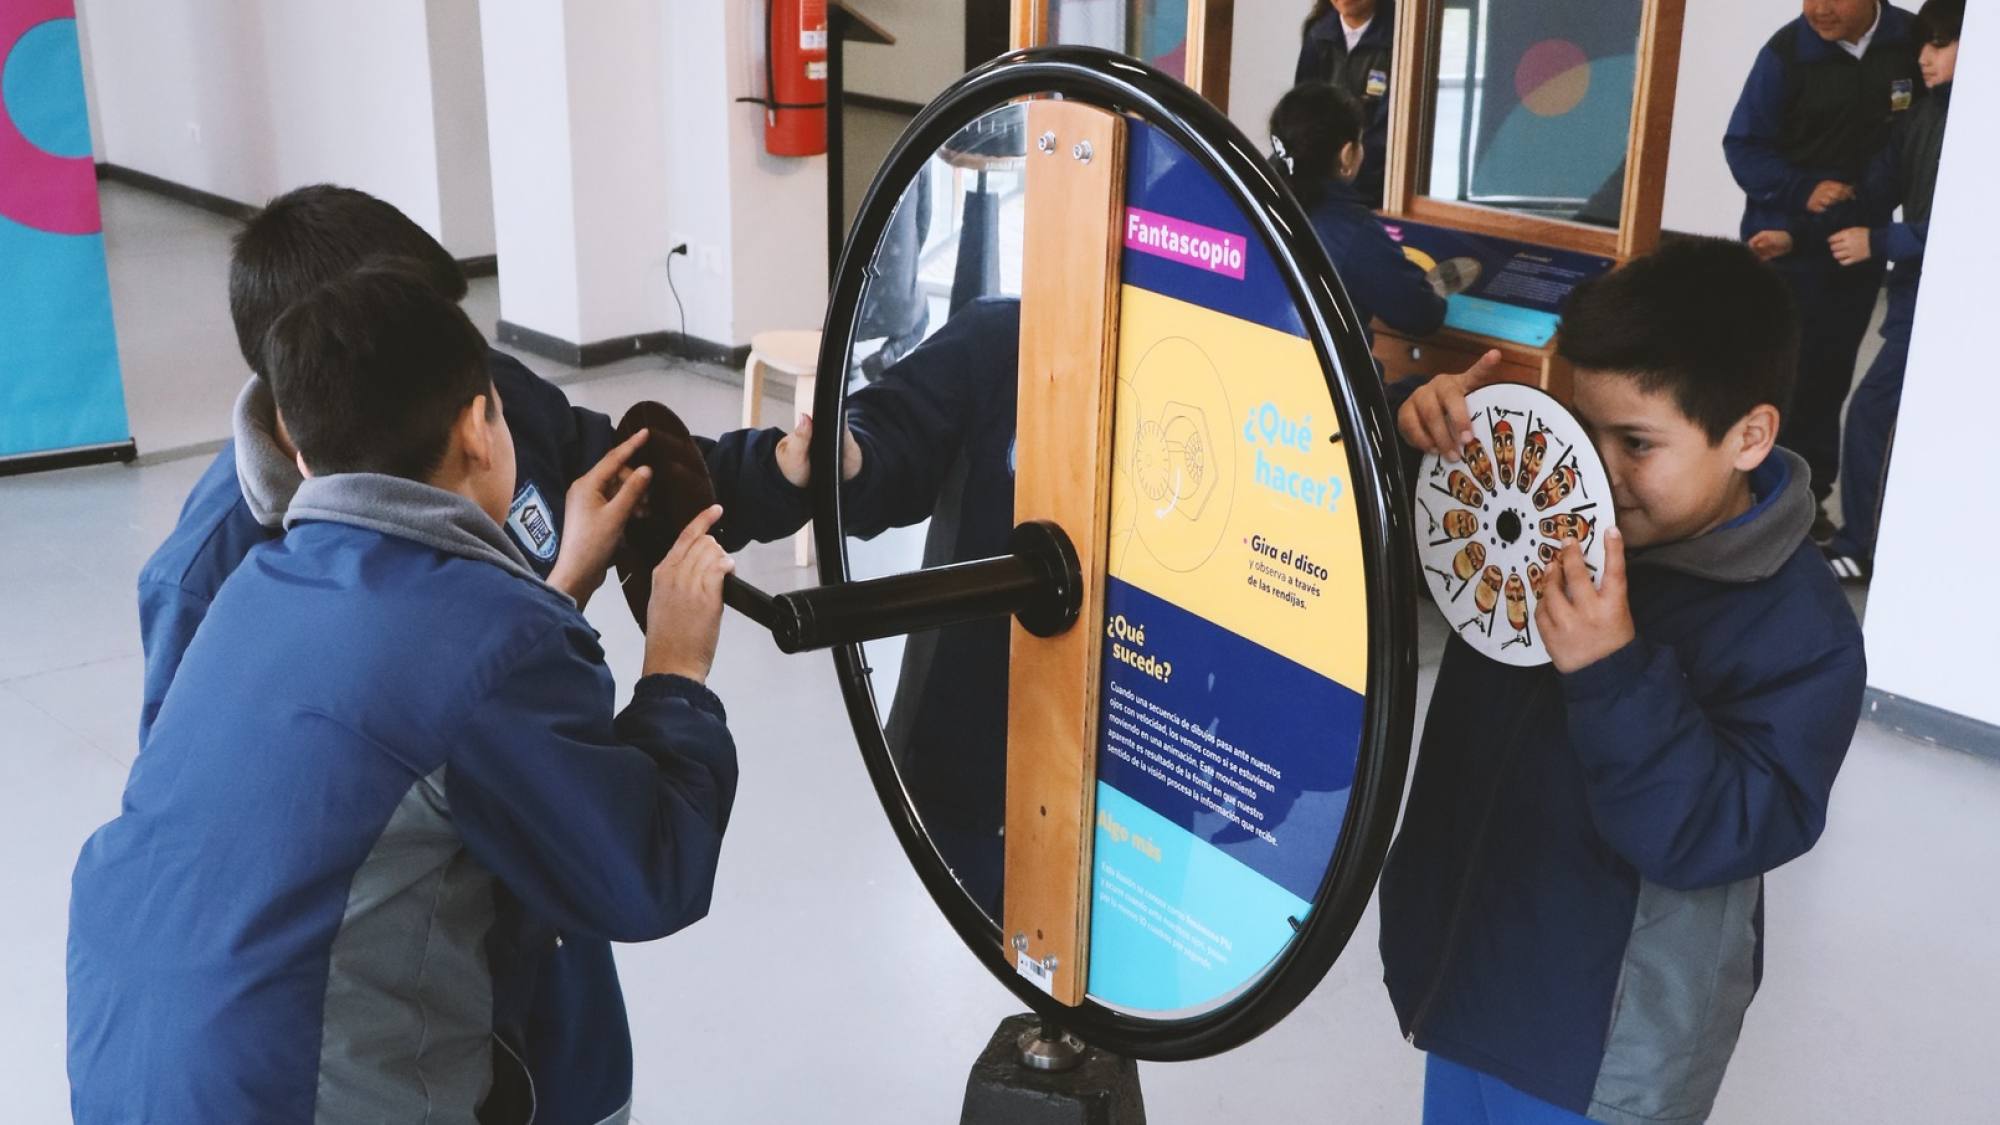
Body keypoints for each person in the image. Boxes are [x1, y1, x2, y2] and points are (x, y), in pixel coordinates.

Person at [69, 266, 739, 1122]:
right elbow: (650, 873)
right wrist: (676, 672)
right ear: (476, 429)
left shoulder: (254, 582)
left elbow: (425, 704)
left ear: (305, 454)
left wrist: (554, 587)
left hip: (132, 1069)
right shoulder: (497, 642)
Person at [1382, 238, 1867, 1124]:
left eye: (1636, 442)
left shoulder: (1800, 632)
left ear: (1748, 436)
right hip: (1465, 972)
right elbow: (1434, 575)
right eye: (1582, 425)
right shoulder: (1559, 519)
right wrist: (1429, 448)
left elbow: (1719, 831)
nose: (1595, 472)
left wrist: (1611, 669)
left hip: (1601, 1051)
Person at [135, 183, 816, 745]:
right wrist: (668, 671)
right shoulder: (203, 579)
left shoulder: (472, 393)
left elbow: (641, 473)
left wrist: (782, 466)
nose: (466, 379)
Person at [1724, 0, 1923, 536]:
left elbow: (1911, 145)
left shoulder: (1912, 41)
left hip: (1853, 245)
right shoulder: (1787, 52)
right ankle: (1753, 504)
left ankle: (1808, 505)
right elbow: (1743, 145)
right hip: (1779, 246)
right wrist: (1801, 190)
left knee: (1829, 376)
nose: (1819, 8)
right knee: (1774, 378)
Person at [1821, 0, 1961, 581]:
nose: (1925, 58)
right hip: (1914, 297)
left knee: (1873, 414)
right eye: (1923, 44)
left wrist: (1879, 242)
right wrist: (1815, 211)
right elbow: (1878, 187)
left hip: (1952, 304)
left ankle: (1861, 545)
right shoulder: (1923, 114)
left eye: (1941, 45)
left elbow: (1970, 227)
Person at [1269, 81, 1445, 345]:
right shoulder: (1350, 229)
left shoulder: (1258, 203)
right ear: (1347, 154)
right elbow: (1422, 313)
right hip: (1329, 383)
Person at [1294, 0, 1397, 207]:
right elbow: (1301, 113)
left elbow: (1388, 131)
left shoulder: (1397, 35)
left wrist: (1348, 179)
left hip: (1376, 190)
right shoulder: (1318, 34)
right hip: (1322, 185)